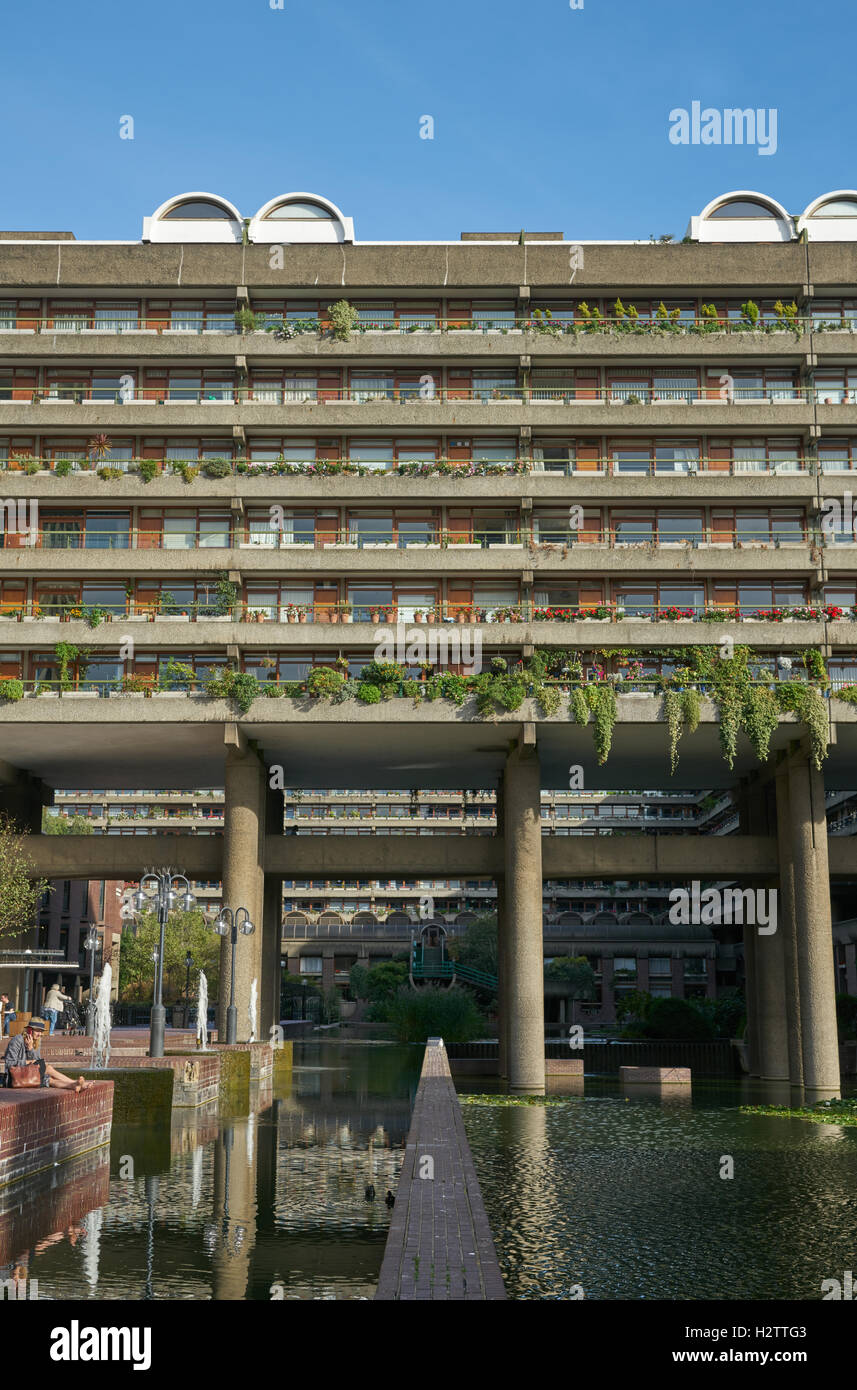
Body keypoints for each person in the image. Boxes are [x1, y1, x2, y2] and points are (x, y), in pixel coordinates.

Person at [2, 1018, 89, 1091]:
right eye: (37, 1031)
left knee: (50, 1080)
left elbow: (37, 1063)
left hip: (29, 1076)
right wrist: (28, 1062)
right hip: (14, 1078)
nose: (40, 1034)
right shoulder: (17, 1040)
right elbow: (9, 1064)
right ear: (29, 1030)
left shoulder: (36, 1041)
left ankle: (74, 1085)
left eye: (41, 1031)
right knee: (47, 1068)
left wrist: (31, 1049)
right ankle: (76, 1083)